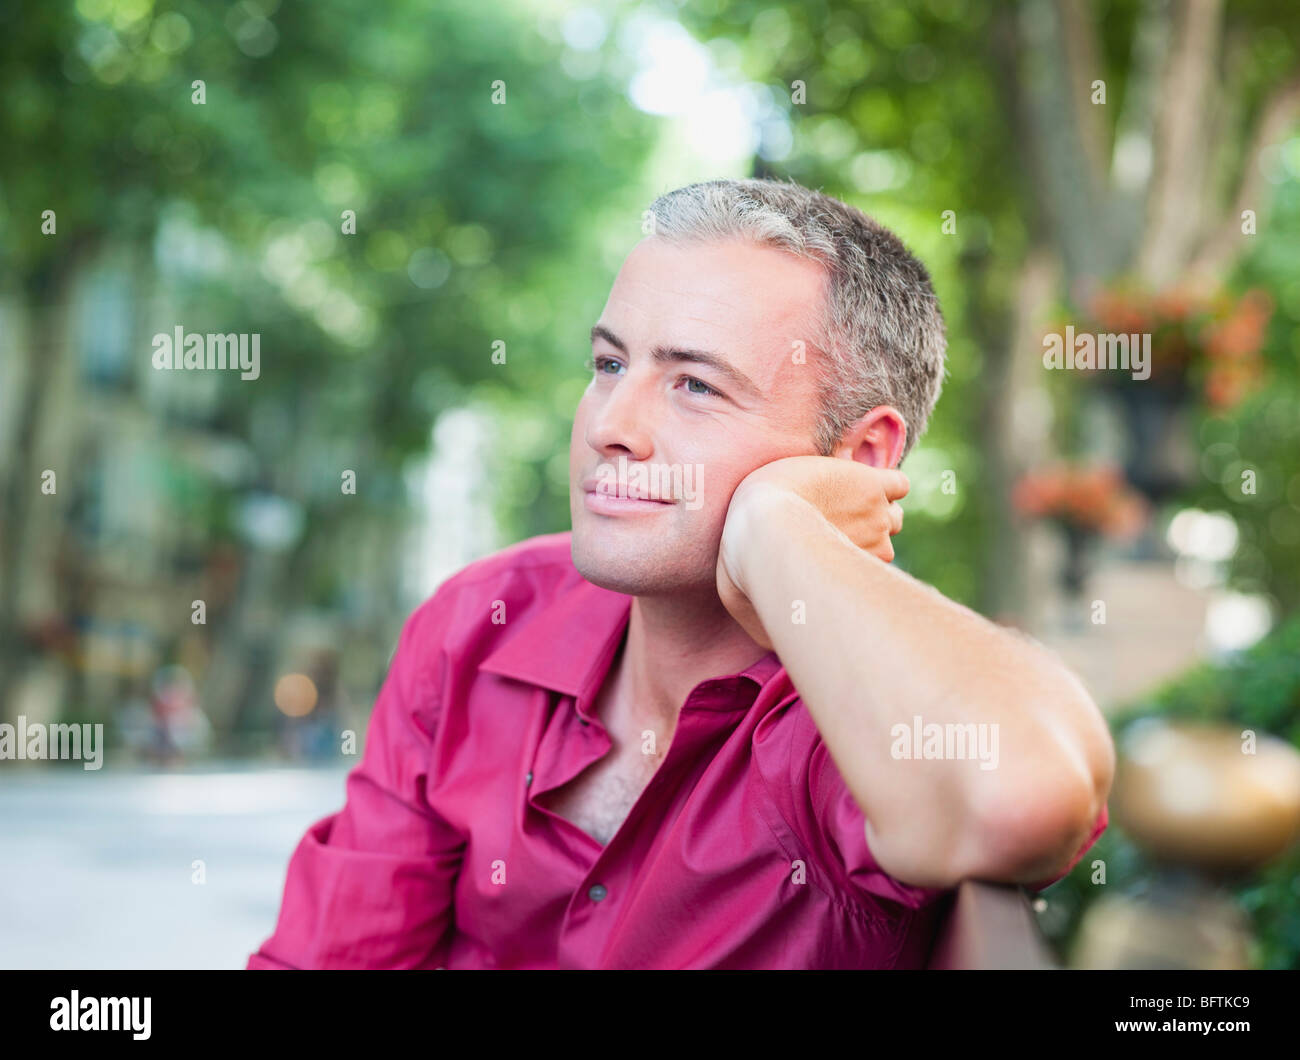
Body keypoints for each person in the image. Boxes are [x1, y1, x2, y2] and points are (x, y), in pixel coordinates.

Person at [247, 177, 1113, 969]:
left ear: (861, 454)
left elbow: (1014, 799)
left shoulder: (854, 721)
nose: (610, 425)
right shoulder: (481, 623)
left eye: (696, 385)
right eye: (611, 365)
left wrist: (779, 526)